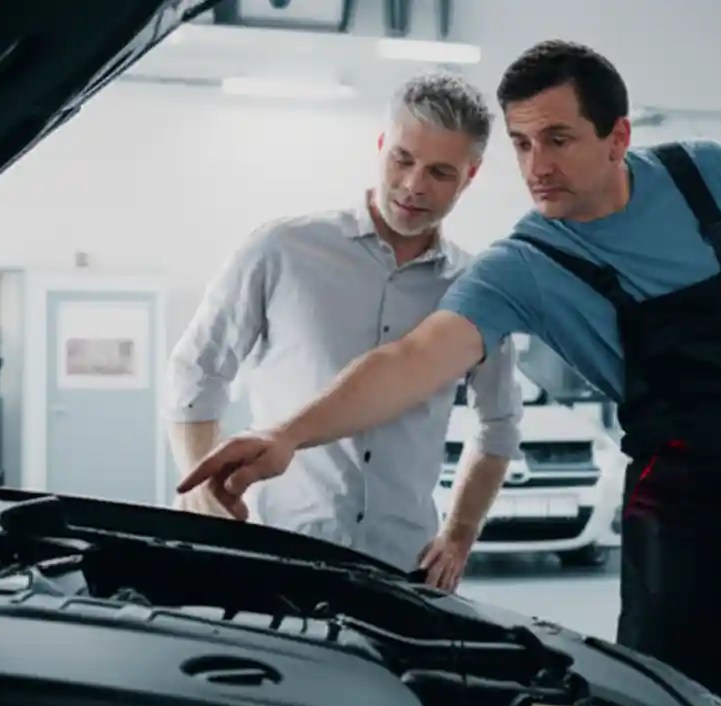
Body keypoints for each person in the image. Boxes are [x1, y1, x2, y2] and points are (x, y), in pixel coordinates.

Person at [176, 39, 721, 706]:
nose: (537, 168)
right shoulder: (521, 266)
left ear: (617, 137)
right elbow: (410, 361)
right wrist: (284, 434)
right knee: (659, 703)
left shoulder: (709, 177)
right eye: (523, 144)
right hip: (681, 495)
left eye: (557, 140)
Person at [164, 72, 523, 591]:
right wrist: (201, 485)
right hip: (280, 549)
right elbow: (197, 369)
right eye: (403, 159)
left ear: (470, 176)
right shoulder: (282, 250)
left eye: (441, 172)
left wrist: (461, 531)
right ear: (381, 145)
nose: (414, 185)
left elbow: (500, 424)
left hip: (405, 565)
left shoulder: (476, 291)